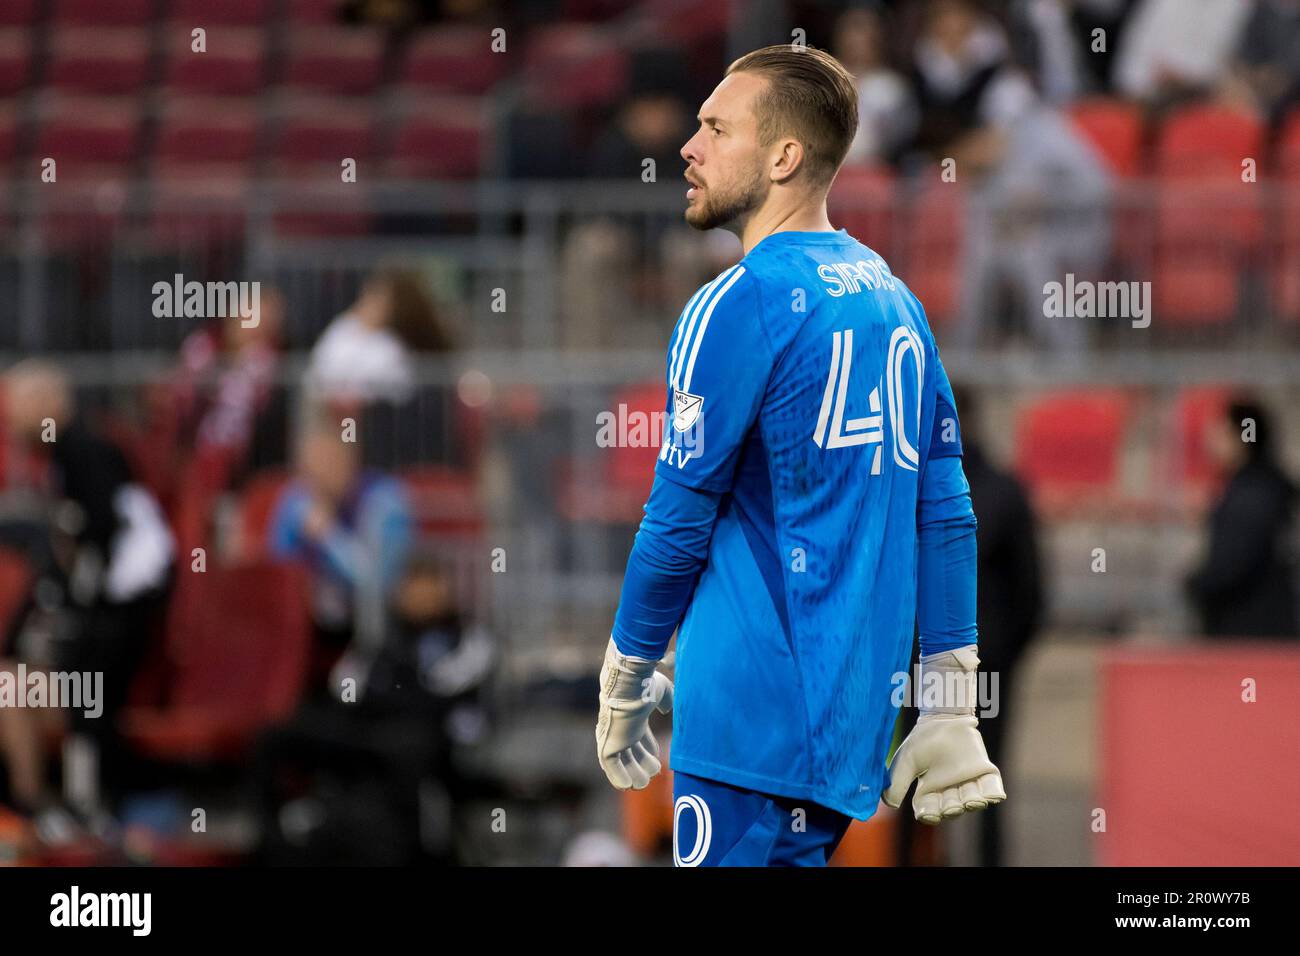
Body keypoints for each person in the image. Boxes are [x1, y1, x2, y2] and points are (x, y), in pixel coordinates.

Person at [594, 45, 1003, 867]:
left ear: (783, 157)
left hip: (746, 724)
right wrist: (950, 698)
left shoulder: (734, 303)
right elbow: (947, 514)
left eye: (716, 126)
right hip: (844, 729)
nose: (689, 145)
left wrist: (626, 668)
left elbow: (676, 519)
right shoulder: (896, 297)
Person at [0, 361, 173, 834]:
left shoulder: (83, 449)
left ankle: (85, 808)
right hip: (106, 605)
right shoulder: (63, 455)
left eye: (19, 407)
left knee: (87, 703)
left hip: (123, 604)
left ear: (50, 405)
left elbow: (104, 532)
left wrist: (76, 599)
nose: (11, 420)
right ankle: (49, 805)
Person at [268, 420, 414, 684]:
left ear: (347, 462)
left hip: (378, 625)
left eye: (324, 465)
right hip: (314, 625)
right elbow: (278, 571)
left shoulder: (385, 501)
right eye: (307, 469)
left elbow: (375, 580)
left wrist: (329, 535)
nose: (313, 478)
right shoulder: (297, 500)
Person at [1185, 397, 1299, 638]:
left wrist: (1197, 584)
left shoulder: (1255, 493)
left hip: (1249, 632)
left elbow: (1233, 564)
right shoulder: (1264, 488)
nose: (1211, 442)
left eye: (1221, 432)